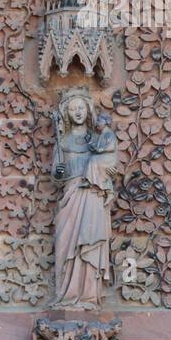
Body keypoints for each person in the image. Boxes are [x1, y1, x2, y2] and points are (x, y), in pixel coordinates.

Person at [51, 93, 118, 308]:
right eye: (72, 109)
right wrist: (60, 172)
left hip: (91, 195)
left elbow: (110, 165)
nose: (78, 112)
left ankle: (89, 295)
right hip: (71, 196)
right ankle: (67, 295)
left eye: (81, 107)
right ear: (66, 114)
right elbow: (57, 175)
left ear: (88, 110)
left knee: (89, 242)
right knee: (65, 243)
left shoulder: (98, 138)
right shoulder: (62, 141)